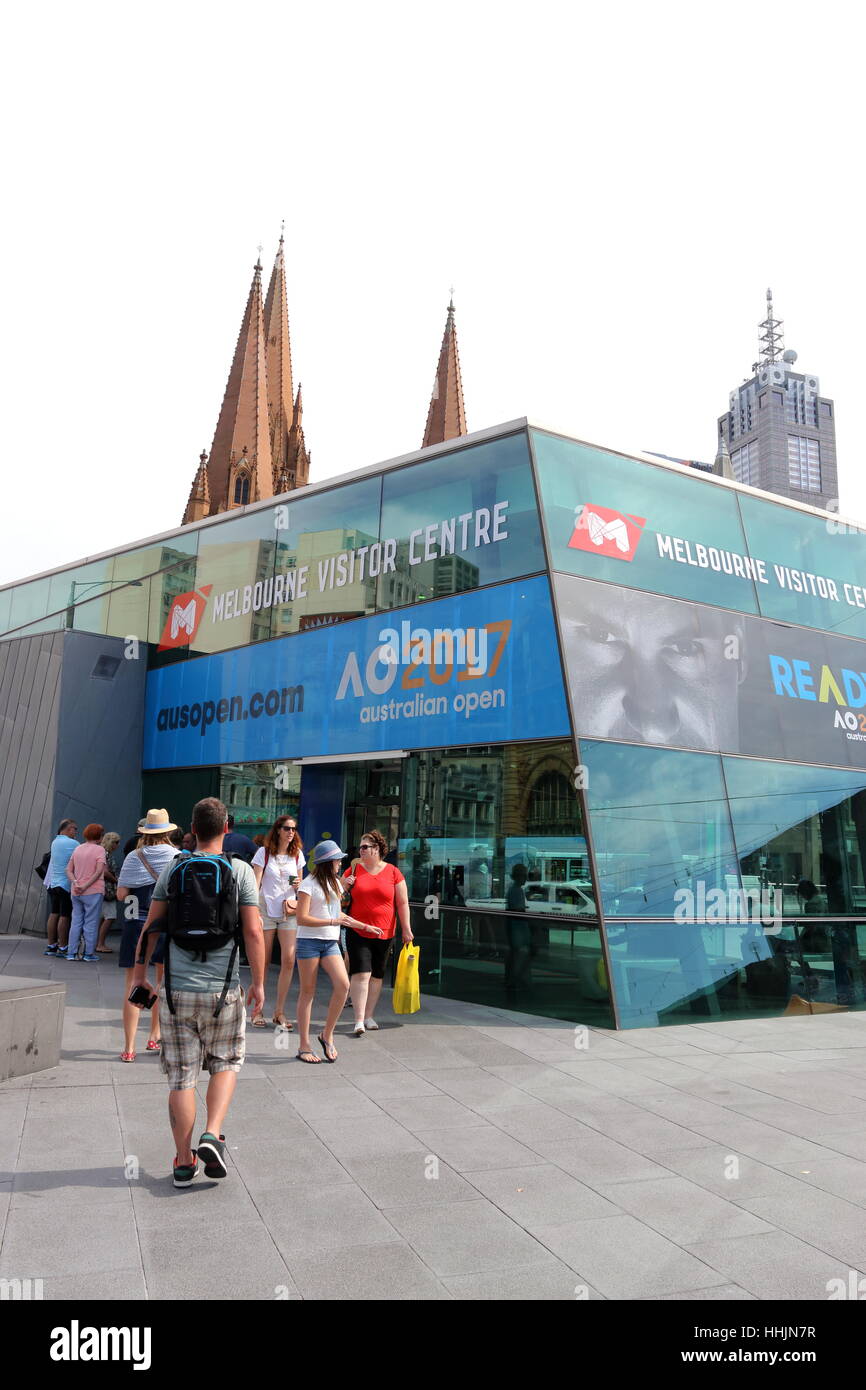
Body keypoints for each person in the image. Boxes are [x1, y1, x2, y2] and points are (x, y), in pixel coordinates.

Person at [131, 796, 265, 1187]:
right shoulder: (239, 870)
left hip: (175, 993)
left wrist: (141, 975)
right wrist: (258, 983)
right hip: (223, 991)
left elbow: (150, 927)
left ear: (191, 830)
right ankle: (213, 1132)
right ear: (226, 829)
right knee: (225, 1062)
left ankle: (183, 1161)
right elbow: (254, 932)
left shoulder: (174, 869)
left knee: (182, 1079)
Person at [294, 840, 372, 1063]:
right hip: (308, 942)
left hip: (329, 943)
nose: (340, 862)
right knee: (307, 992)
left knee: (343, 985)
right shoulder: (308, 884)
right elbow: (302, 917)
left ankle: (326, 1035)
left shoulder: (336, 885)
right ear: (328, 862)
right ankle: (304, 1046)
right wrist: (331, 921)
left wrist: (365, 927)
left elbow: (342, 917)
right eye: (338, 859)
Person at [116, 810, 182, 1062]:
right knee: (162, 983)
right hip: (164, 923)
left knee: (132, 984)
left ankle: (129, 1047)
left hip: (136, 923)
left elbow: (122, 894)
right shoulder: (177, 856)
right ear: (168, 832)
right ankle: (154, 1036)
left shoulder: (134, 856)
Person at [343, 828, 413, 1038]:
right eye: (360, 847)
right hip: (357, 929)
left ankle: (368, 1015)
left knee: (376, 974)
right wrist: (344, 886)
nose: (361, 851)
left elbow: (402, 903)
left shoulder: (393, 872)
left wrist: (407, 929)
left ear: (377, 849)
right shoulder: (353, 871)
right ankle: (358, 1020)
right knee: (361, 973)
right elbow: (335, 895)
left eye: (365, 847)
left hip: (385, 932)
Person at [251, 816, 305, 1029]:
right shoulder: (263, 853)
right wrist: (252, 908)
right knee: (262, 961)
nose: (291, 832)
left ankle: (279, 1011)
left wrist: (298, 884)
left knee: (289, 959)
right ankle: (258, 1010)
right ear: (278, 830)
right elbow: (255, 883)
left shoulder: (297, 854)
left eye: (293, 828)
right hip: (265, 906)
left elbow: (298, 884)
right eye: (287, 828)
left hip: (289, 908)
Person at [65, 824, 106, 962]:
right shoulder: (100, 850)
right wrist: (86, 885)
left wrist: (76, 883)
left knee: (76, 921)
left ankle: (72, 952)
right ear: (100, 836)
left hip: (76, 891)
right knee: (91, 922)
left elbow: (68, 870)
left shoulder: (78, 848)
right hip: (93, 891)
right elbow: (99, 871)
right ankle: (88, 953)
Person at [43, 818, 79, 956]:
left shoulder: (55, 842)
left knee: (54, 913)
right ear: (69, 828)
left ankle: (51, 945)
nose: (76, 832)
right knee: (65, 916)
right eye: (75, 829)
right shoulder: (73, 843)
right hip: (65, 884)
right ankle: (63, 946)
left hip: (53, 884)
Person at [95, 832, 121, 953]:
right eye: (116, 842)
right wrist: (116, 880)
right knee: (110, 916)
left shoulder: (101, 852)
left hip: (101, 888)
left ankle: (96, 943)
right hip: (107, 889)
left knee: (101, 917)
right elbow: (104, 872)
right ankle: (100, 943)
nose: (118, 845)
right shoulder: (105, 854)